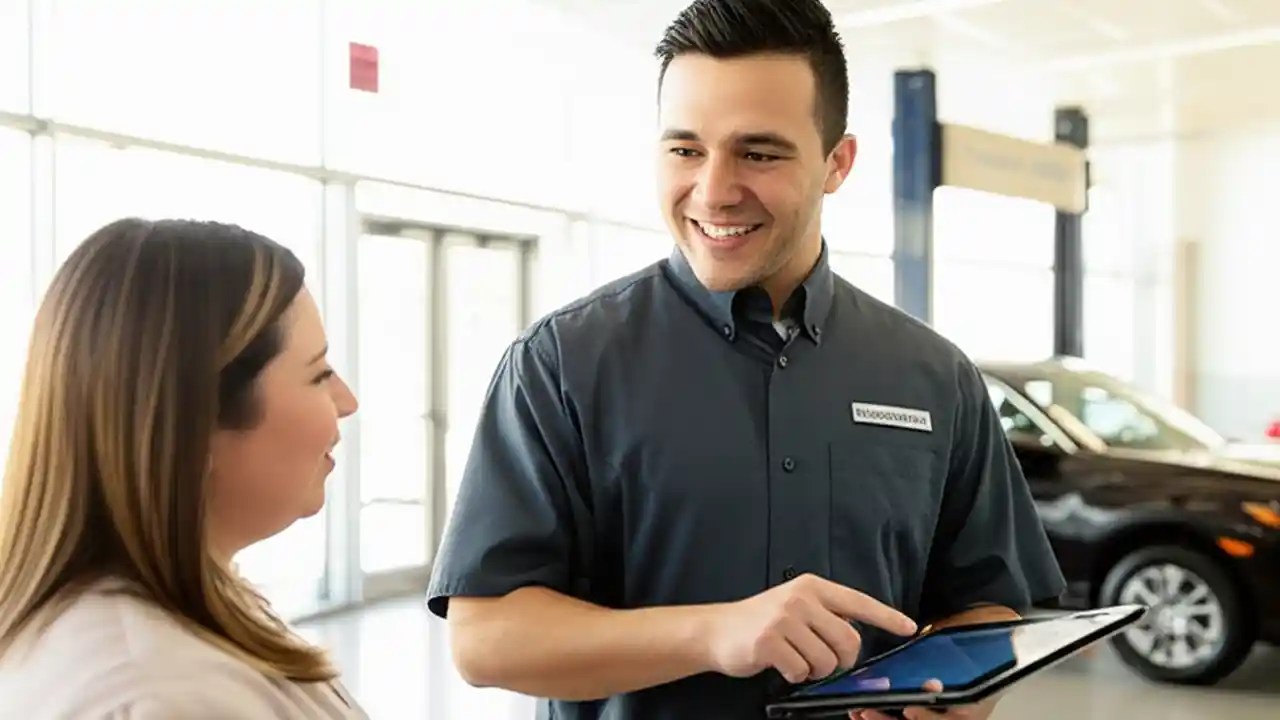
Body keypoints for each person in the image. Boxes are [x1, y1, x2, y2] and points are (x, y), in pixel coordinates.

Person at [427, 1, 1066, 718]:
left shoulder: (936, 377)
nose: (713, 190)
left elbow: (987, 606)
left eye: (758, 153)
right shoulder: (562, 366)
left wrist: (955, 701)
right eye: (685, 149)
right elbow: (486, 640)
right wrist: (714, 631)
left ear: (837, 163)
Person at [0, 218, 365, 719]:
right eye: (319, 374)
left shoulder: (193, 611)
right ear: (196, 418)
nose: (346, 401)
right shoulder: (162, 696)